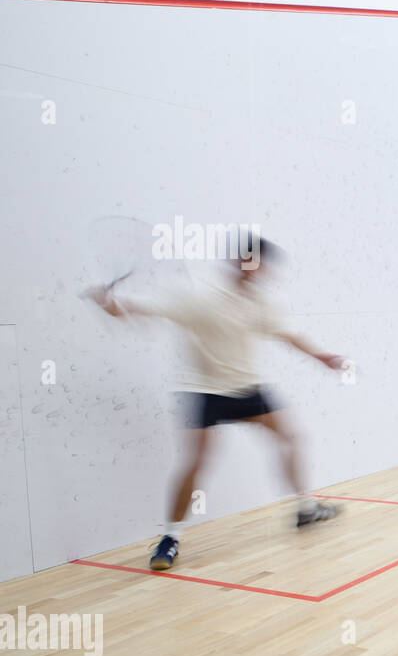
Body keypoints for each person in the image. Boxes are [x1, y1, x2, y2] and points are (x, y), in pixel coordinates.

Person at [89, 236, 346, 571]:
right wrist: (111, 304)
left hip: (249, 390)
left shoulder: (260, 303)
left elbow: (287, 335)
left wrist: (321, 356)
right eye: (252, 261)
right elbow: (140, 310)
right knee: (197, 464)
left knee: (291, 439)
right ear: (241, 262)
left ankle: (305, 509)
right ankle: (170, 537)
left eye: (262, 264)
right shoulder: (200, 297)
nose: (258, 269)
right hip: (206, 392)